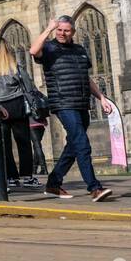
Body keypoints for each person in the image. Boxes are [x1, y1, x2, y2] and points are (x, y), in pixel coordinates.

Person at [30, 16, 114, 201]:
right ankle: (94, 187)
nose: (62, 33)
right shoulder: (49, 48)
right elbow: (33, 50)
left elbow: (87, 78)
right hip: (63, 103)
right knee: (82, 143)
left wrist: (101, 98)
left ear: (73, 32)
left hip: (82, 103)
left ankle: (53, 183)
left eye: (66, 30)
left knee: (74, 146)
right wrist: (48, 29)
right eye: (59, 30)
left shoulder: (79, 50)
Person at [0, 38, 39, 188]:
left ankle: (11, 176)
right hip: (17, 107)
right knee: (23, 142)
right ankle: (27, 176)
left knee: (5, 145)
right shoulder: (16, 68)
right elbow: (29, 88)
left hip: (0, 109)